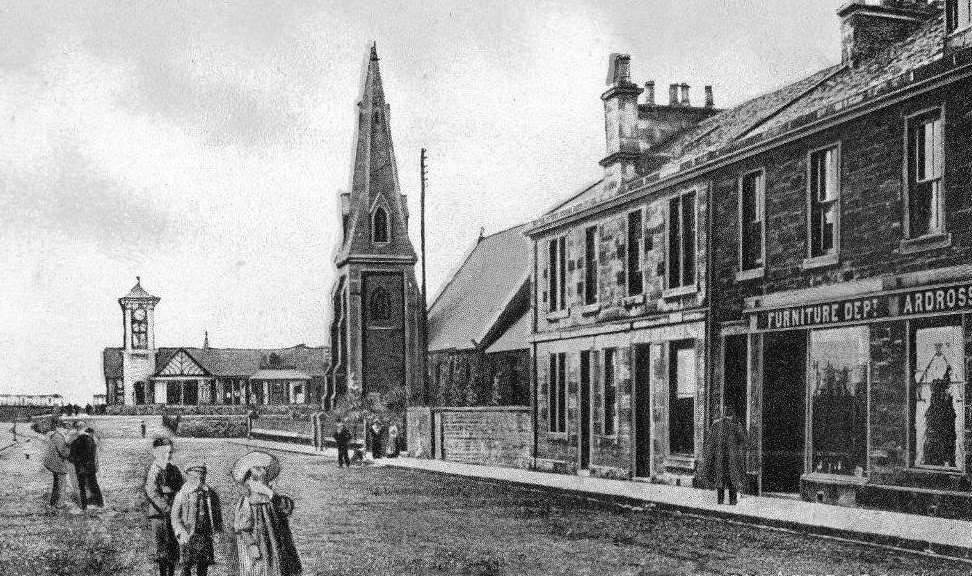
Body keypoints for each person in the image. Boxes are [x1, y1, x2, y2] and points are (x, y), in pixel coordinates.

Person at [232, 451, 302, 576]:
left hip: (276, 543)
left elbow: (286, 509)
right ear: (250, 474)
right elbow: (243, 527)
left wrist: (271, 495)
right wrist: (252, 545)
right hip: (259, 544)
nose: (263, 471)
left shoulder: (271, 496)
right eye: (258, 468)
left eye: (264, 468)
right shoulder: (248, 499)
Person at [171, 463, 223, 576]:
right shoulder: (182, 494)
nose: (199, 481)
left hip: (204, 535)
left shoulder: (210, 494)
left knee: (203, 565)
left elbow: (216, 514)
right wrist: (180, 532)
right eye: (195, 478)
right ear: (189, 477)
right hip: (188, 535)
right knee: (186, 566)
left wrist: (217, 531)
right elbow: (175, 517)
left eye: (202, 478)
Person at [145, 437, 184, 576]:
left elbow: (182, 488)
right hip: (159, 515)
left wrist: (179, 506)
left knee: (173, 549)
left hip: (173, 515)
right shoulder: (154, 471)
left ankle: (172, 572)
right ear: (156, 453)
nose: (168, 455)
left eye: (170, 452)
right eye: (165, 452)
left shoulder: (173, 469)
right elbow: (152, 492)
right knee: (162, 550)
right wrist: (168, 508)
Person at [698, 407, 748, 505]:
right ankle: (732, 501)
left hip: (719, 457)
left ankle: (720, 501)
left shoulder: (715, 424)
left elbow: (709, 441)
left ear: (723, 414)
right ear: (732, 415)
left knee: (720, 478)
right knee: (732, 479)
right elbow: (744, 440)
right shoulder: (736, 425)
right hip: (732, 458)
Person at [69, 421, 104, 511]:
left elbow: (71, 458)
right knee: (94, 484)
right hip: (90, 467)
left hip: (80, 468)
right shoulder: (91, 440)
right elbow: (94, 453)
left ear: (77, 430)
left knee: (82, 487)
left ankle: (84, 506)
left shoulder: (75, 442)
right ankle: (100, 503)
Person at [43, 419, 71, 510]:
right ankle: (59, 504)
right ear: (62, 428)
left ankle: (53, 502)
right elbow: (64, 452)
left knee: (56, 484)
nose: (67, 431)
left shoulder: (55, 435)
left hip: (54, 464)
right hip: (58, 464)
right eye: (66, 429)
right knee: (62, 484)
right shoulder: (59, 437)